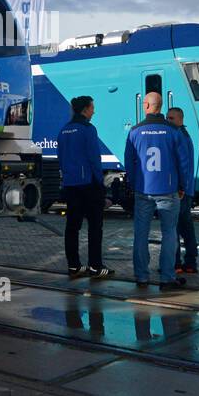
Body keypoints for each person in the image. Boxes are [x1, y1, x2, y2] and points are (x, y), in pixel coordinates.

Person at [124, 91, 192, 289]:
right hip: (168, 190)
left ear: (146, 106)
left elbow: (129, 162)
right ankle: (167, 277)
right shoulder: (173, 131)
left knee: (140, 234)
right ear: (160, 106)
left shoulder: (135, 131)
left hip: (143, 190)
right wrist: (183, 187)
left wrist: (136, 183)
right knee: (169, 233)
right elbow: (184, 163)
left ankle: (142, 277)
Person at [56, 95, 113, 279]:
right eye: (92, 108)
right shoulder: (88, 129)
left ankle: (74, 266)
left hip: (70, 184)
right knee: (95, 227)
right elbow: (94, 159)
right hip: (88, 184)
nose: (94, 111)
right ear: (85, 109)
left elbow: (61, 157)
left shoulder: (64, 130)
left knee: (72, 227)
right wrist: (100, 183)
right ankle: (95, 266)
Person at [166, 106, 198, 274]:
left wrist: (180, 188)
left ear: (180, 119)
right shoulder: (185, 135)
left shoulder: (178, 135)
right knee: (186, 227)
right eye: (167, 118)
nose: (168, 121)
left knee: (174, 227)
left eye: (171, 118)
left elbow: (183, 165)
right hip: (187, 189)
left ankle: (176, 263)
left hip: (181, 191)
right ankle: (191, 263)